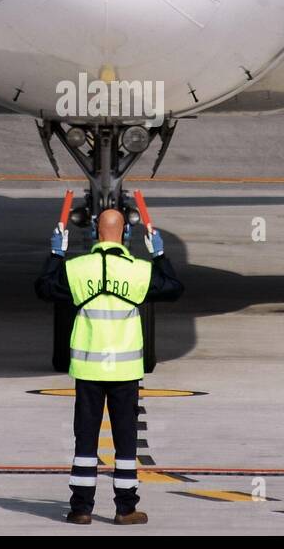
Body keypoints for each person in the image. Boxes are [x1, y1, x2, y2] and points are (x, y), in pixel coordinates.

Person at [35, 206, 184, 525]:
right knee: (126, 440)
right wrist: (159, 256)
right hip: (125, 371)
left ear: (95, 234)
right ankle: (125, 508)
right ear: (126, 236)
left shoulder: (78, 268)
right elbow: (173, 288)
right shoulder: (138, 270)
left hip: (89, 369)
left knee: (85, 440)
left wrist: (55, 254)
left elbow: (45, 288)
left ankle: (81, 509)